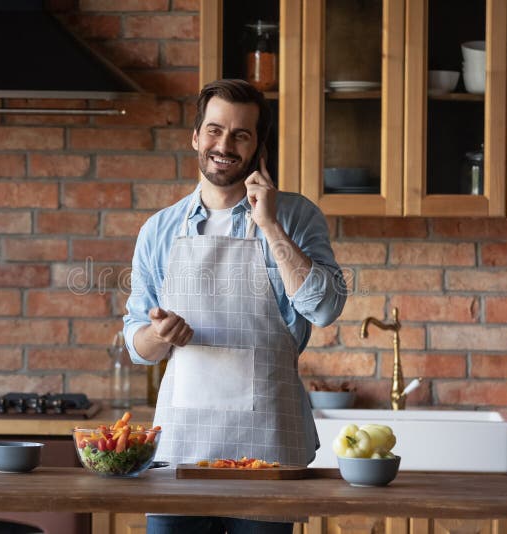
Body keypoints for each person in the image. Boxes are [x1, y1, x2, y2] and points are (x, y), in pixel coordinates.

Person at [123, 78, 347, 534]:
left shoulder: (297, 217)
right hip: (180, 448)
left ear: (258, 147)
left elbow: (324, 309)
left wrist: (269, 224)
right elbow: (137, 344)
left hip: (267, 447)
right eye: (214, 130)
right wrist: (158, 335)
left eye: (241, 134)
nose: (224, 144)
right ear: (195, 136)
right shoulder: (159, 230)